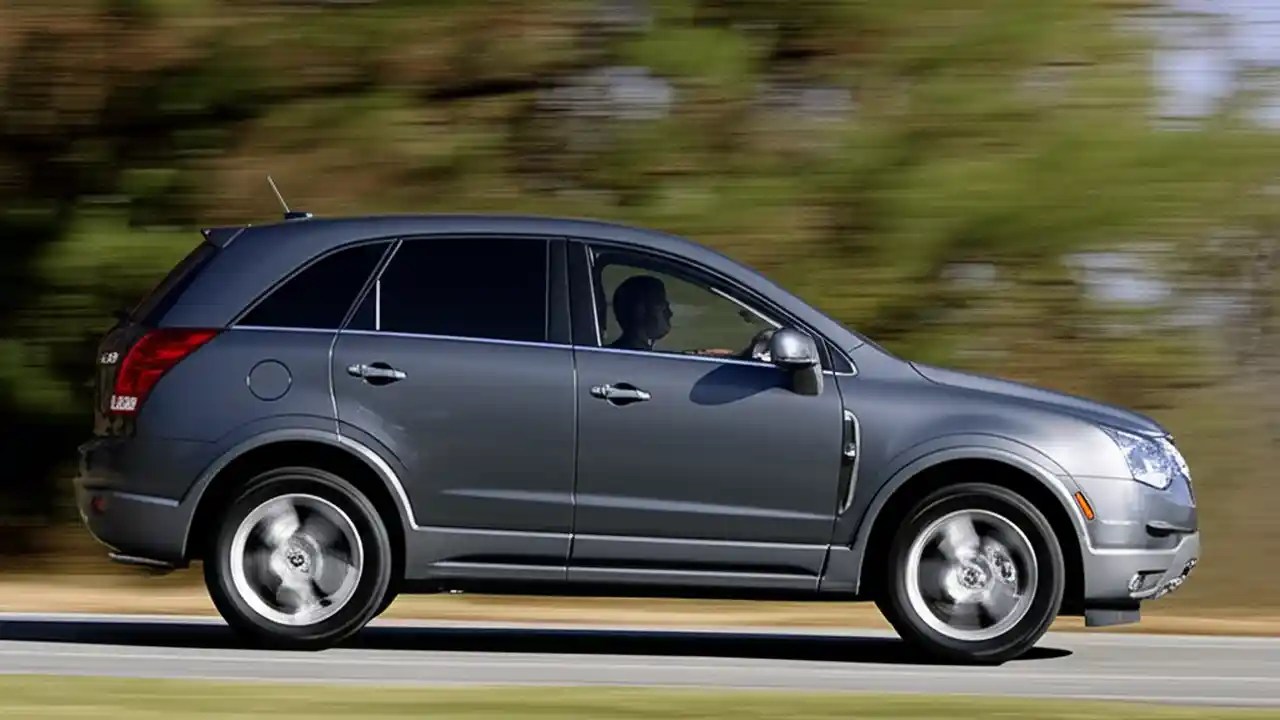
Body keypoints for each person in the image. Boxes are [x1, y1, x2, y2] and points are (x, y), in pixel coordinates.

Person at [609, 274, 672, 351]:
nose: (670, 314)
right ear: (640, 310)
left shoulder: (617, 355)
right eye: (661, 306)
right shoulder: (631, 359)